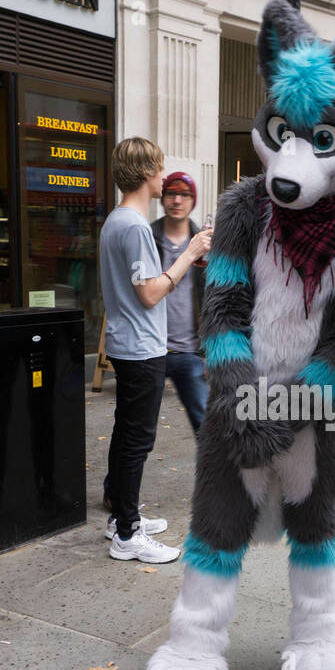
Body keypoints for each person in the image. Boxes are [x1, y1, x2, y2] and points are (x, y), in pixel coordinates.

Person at [100, 137, 212, 563]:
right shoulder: (133, 226)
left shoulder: (116, 222)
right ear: (146, 173)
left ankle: (122, 518)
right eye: (160, 169)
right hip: (142, 348)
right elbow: (151, 293)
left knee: (126, 434)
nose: (164, 178)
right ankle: (127, 535)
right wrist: (190, 253)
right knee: (136, 441)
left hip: (128, 345)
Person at [152, 171, 208, 433]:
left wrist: (210, 352)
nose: (177, 200)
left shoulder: (205, 244)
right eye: (171, 194)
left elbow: (214, 300)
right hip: (150, 351)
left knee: (207, 429)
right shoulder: (148, 238)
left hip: (190, 353)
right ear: (163, 198)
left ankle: (217, 476)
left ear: (192, 200)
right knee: (138, 433)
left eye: (184, 195)